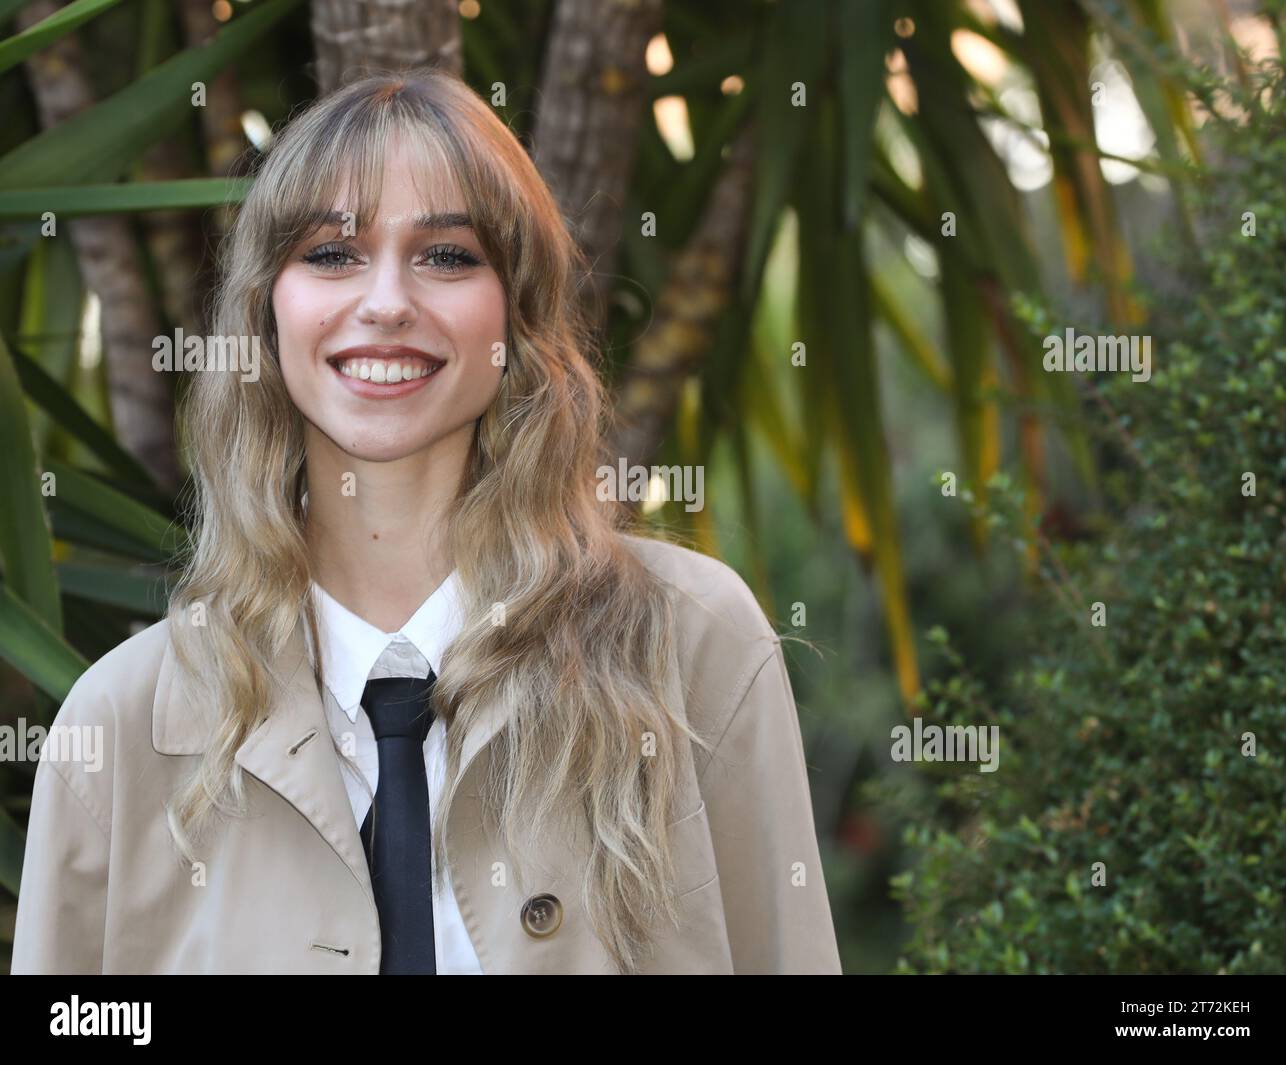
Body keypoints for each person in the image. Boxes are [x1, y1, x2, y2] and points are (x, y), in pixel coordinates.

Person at [10, 68, 840, 975]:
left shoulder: (693, 649)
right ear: (265, 311)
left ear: (518, 316)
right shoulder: (121, 730)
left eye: (447, 255)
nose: (387, 302)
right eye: (332, 253)